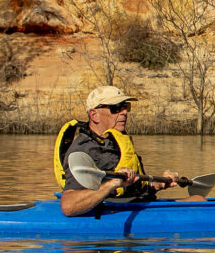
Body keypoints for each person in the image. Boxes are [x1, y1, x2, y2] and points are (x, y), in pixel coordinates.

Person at [54, 86, 193, 217]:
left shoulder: (114, 140)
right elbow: (68, 205)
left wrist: (156, 185)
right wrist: (112, 183)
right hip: (113, 212)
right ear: (94, 115)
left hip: (133, 204)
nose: (124, 112)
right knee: (197, 200)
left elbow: (127, 190)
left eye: (125, 107)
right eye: (115, 108)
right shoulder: (84, 150)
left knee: (197, 199)